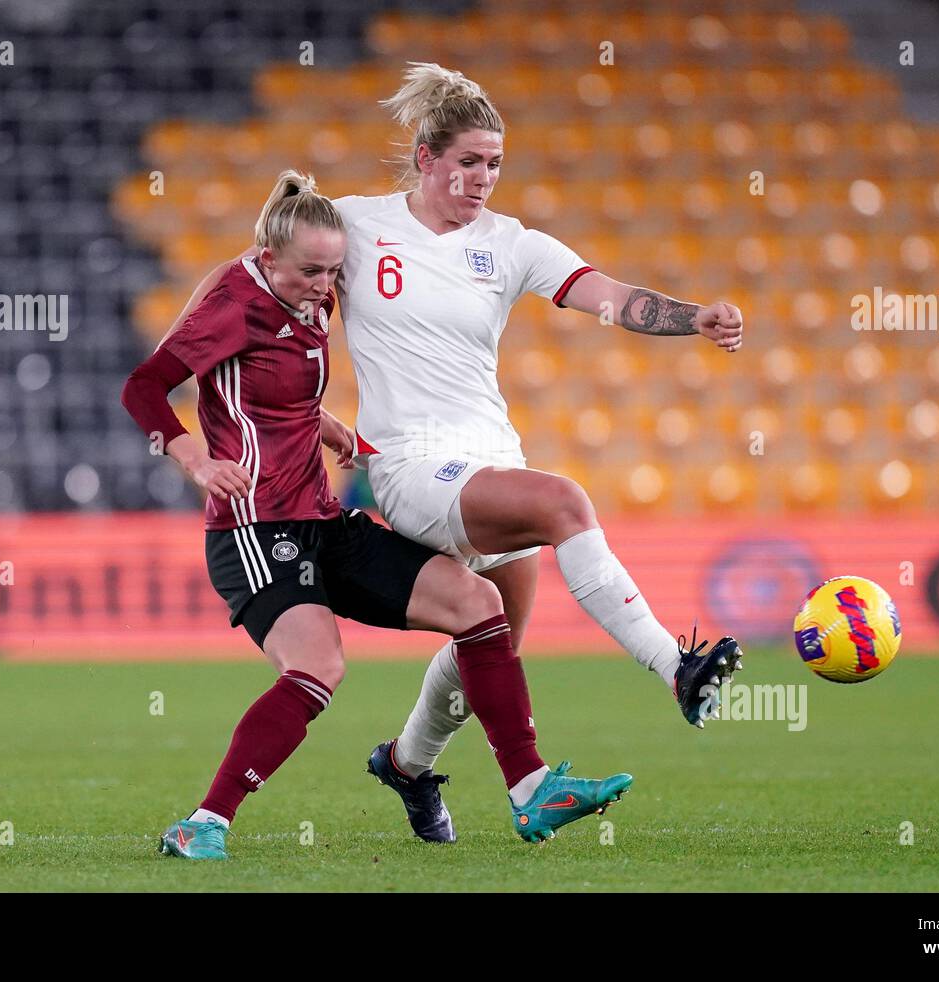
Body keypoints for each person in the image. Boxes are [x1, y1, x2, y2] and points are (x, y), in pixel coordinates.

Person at [162, 63, 746, 844]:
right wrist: (218, 363)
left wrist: (694, 316)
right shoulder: (361, 226)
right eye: (468, 161)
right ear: (427, 157)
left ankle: (406, 765)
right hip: (408, 466)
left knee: (492, 636)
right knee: (566, 503)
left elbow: (609, 297)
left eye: (495, 163)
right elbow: (261, 269)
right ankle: (674, 665)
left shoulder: (511, 244)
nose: (482, 179)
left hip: (489, 461)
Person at [121, 170, 632, 856]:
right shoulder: (232, 300)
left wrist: (330, 427)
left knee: (479, 603)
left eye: (333, 271)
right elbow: (145, 386)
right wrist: (196, 461)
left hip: (322, 518)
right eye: (309, 271)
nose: (323, 286)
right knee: (318, 666)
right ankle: (204, 823)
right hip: (254, 525)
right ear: (269, 258)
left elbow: (274, 391)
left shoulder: (308, 294)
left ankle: (531, 788)